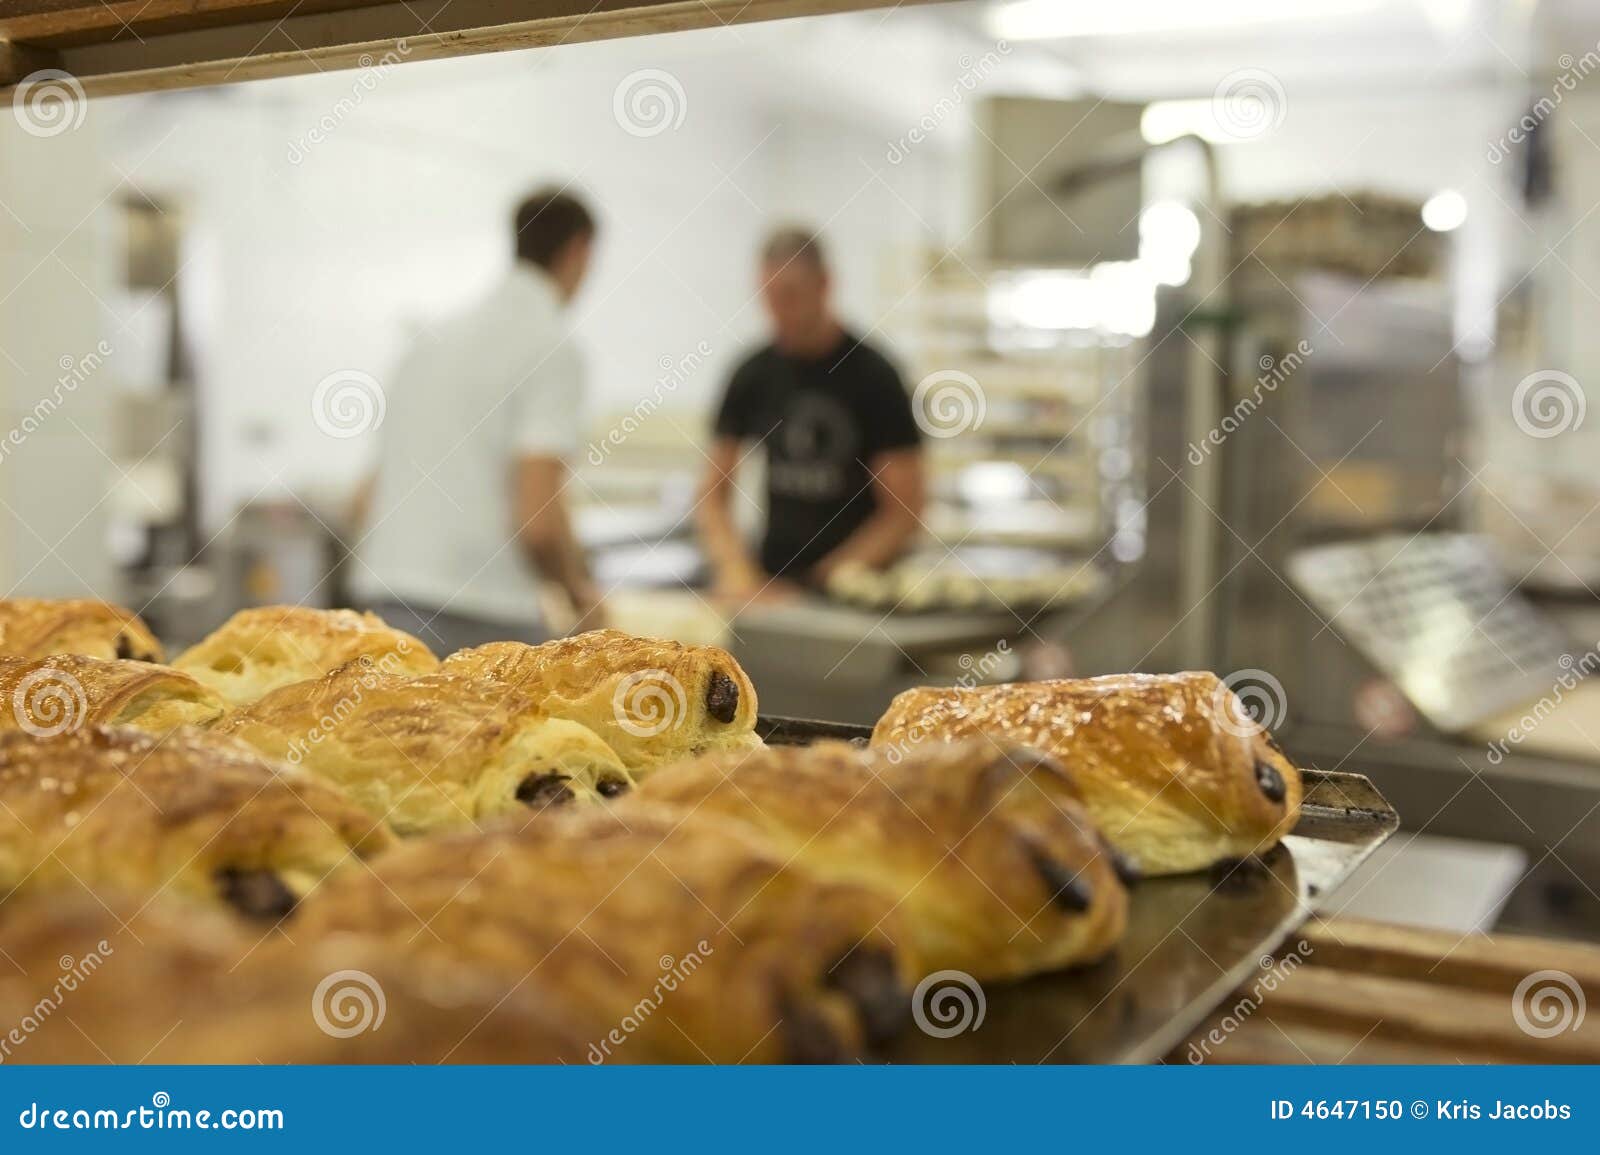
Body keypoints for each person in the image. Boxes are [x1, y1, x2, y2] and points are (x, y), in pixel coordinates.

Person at [351, 187, 601, 652]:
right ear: (578, 250)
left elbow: (364, 498)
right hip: (481, 617)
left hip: (384, 604)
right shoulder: (553, 349)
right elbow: (539, 521)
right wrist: (584, 600)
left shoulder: (426, 343)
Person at [697, 226, 926, 602]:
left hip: (859, 588)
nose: (778, 311)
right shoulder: (752, 373)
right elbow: (712, 494)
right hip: (772, 578)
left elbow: (905, 510)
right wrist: (735, 569)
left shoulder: (875, 376)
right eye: (769, 296)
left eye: (790, 295)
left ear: (824, 284)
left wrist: (828, 580)